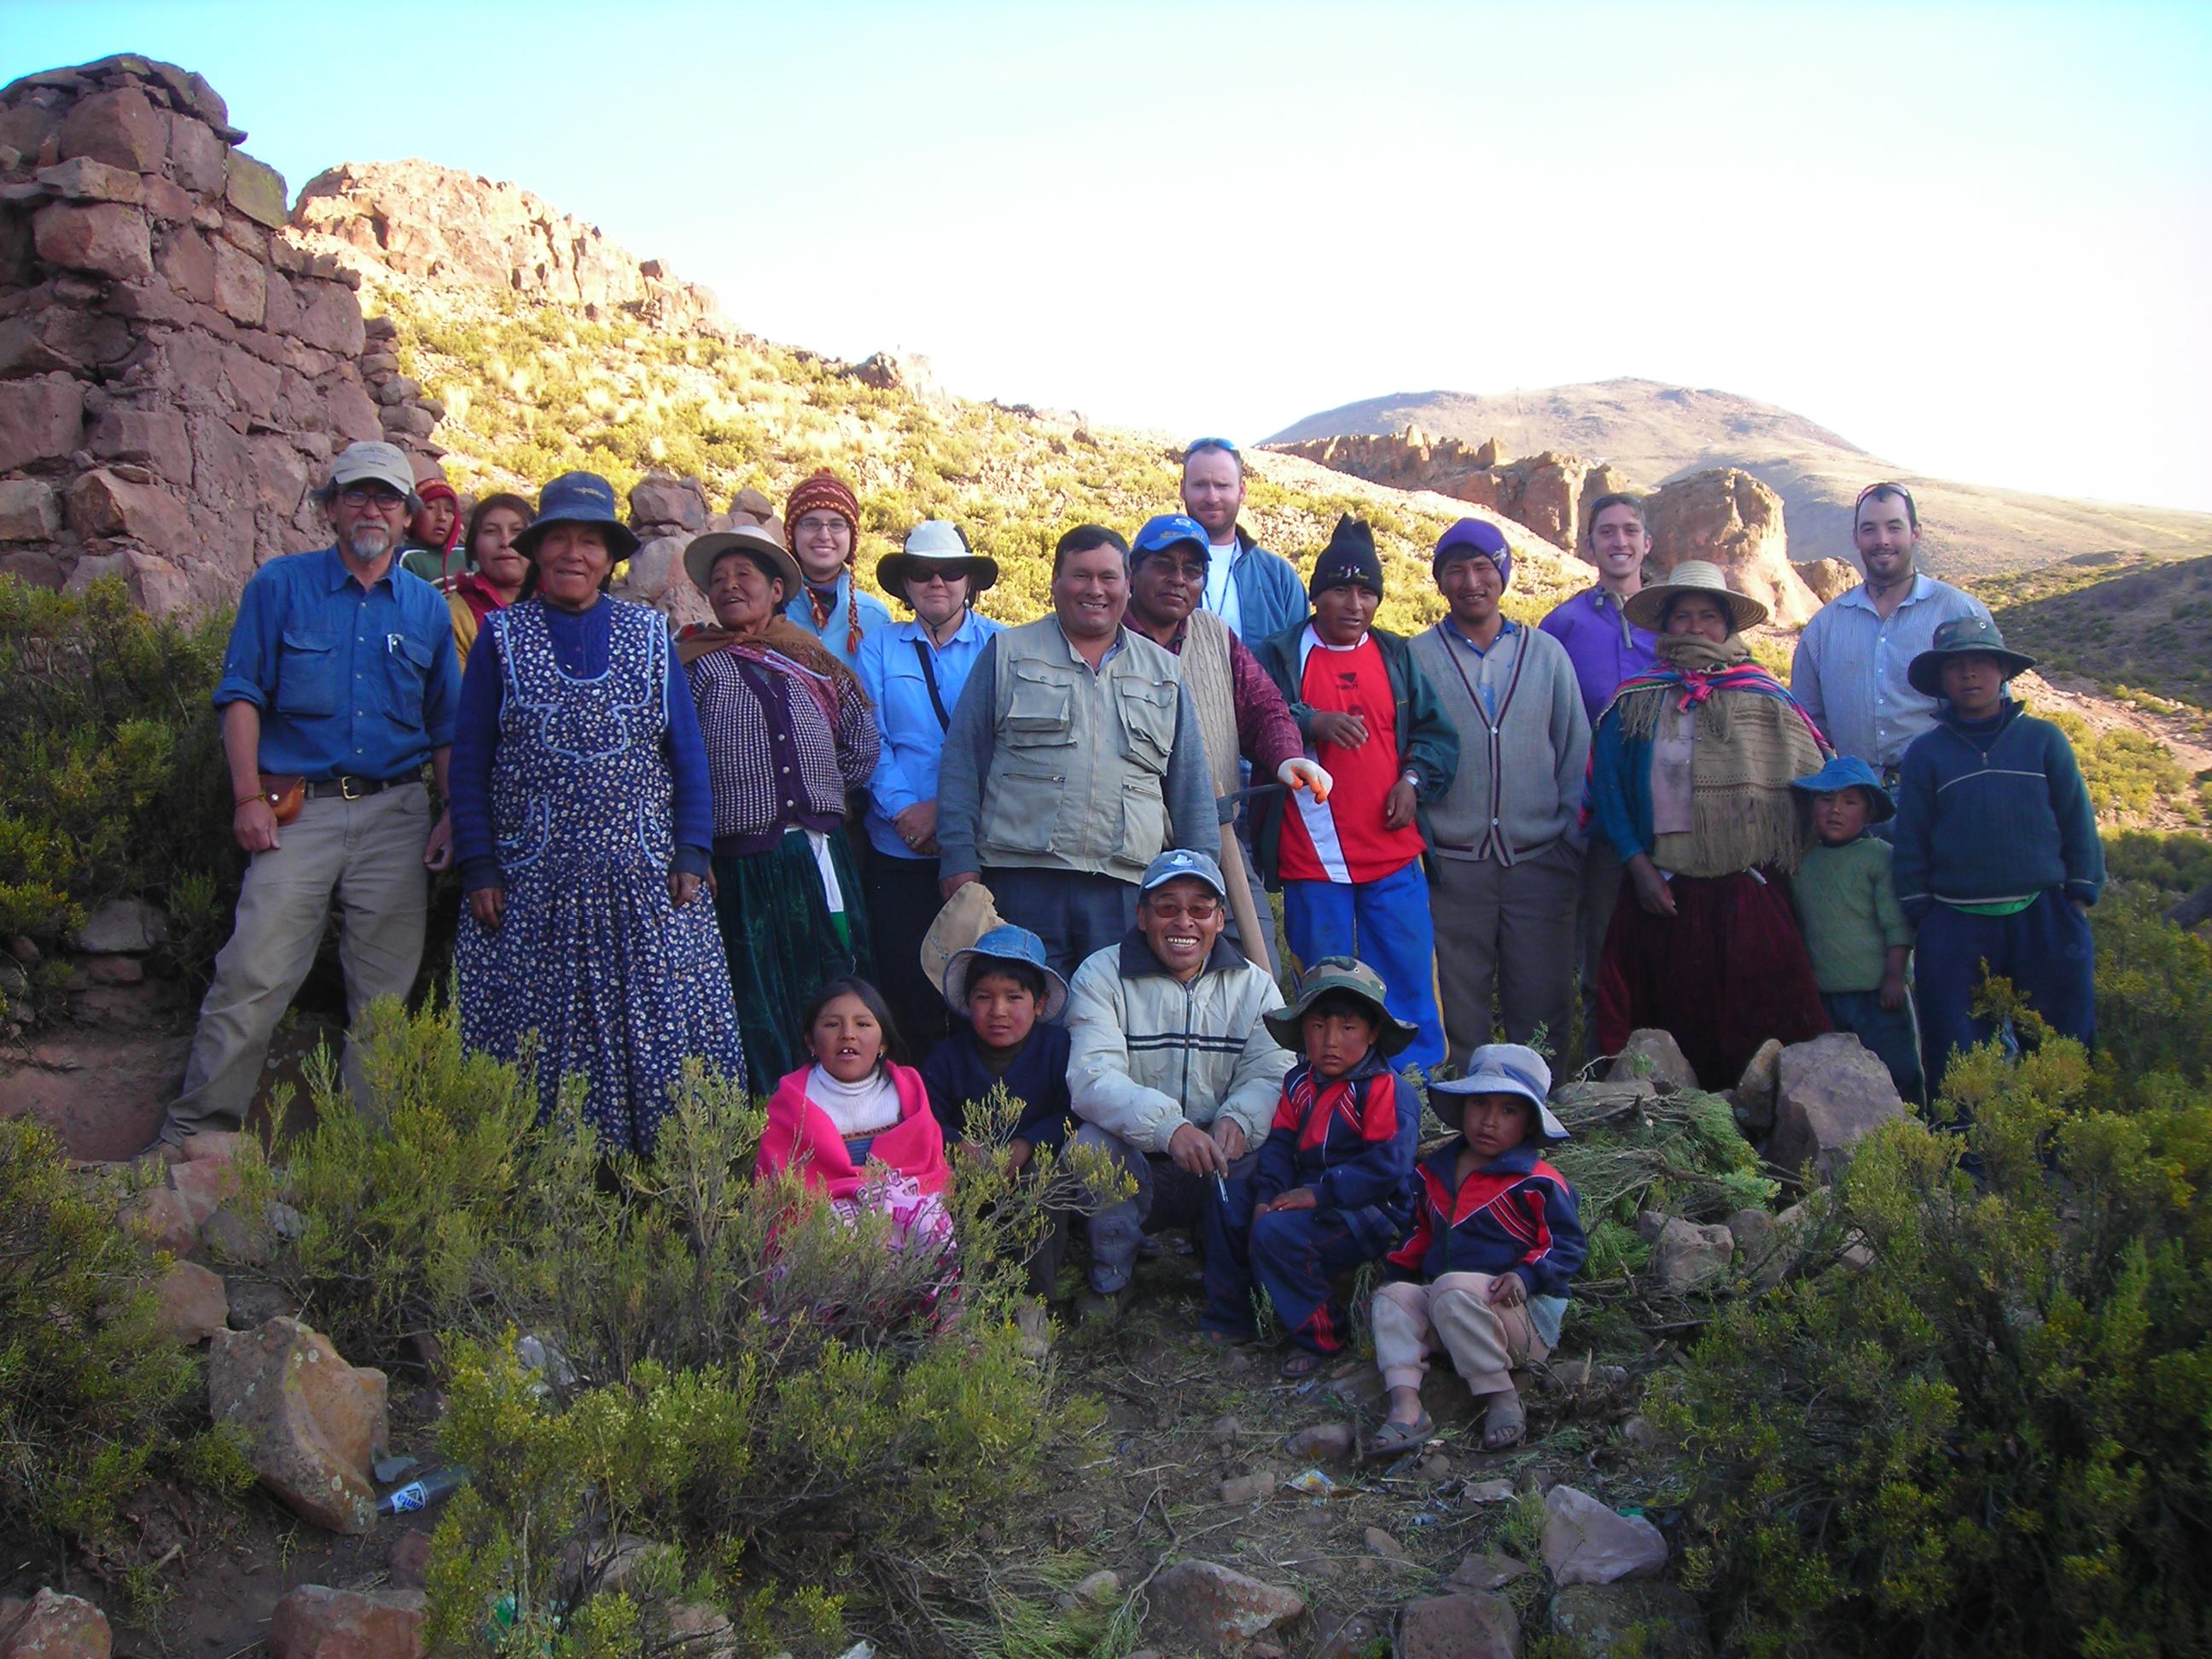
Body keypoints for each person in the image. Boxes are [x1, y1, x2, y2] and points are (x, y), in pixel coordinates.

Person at [153, 441, 459, 1151]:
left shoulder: (426, 609)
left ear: (408, 516)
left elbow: (445, 725)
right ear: (330, 508)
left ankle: (362, 1162)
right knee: (252, 973)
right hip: (298, 811)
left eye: (388, 498)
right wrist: (245, 799)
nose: (373, 509)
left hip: (397, 815)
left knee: (384, 1001)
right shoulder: (280, 586)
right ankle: (196, 1137)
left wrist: (451, 814)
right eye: (357, 494)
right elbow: (241, 695)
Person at [451, 471, 743, 1153]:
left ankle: (666, 1179)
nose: (573, 554)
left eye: (589, 541)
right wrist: (479, 865)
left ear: (610, 556)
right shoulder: (500, 638)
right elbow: (469, 762)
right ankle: (541, 1184)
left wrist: (692, 850)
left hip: (643, 878)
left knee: (664, 1029)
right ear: (537, 551)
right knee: (533, 1037)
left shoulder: (650, 635)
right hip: (532, 883)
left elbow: (686, 753)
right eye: (558, 540)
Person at [1586, 561, 1831, 1088]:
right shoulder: (1636, 701)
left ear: (1728, 625)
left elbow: (1814, 776)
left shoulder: (1765, 697)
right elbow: (1608, 790)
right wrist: (1638, 866)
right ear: (1665, 625)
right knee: (1664, 1033)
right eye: (1683, 616)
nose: (1695, 627)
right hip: (1663, 892)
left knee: (1759, 1033)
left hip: (1748, 892)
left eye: (1708, 616)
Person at [934, 525, 1215, 979]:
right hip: (1020, 881)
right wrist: (959, 862)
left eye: (1108, 577)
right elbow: (962, 762)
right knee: (1020, 1007)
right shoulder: (1008, 652)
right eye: (1081, 575)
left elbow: (1191, 786)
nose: (1095, 589)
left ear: (1127, 585)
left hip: (1125, 890)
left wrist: (1202, 878)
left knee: (1113, 1012)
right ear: (1055, 582)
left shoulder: (1164, 672)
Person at [1251, 515, 1458, 1074]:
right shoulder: (1282, 654)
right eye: (1340, 590)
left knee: (1409, 980)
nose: (1354, 603)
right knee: (1324, 989)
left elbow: (1438, 737)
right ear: (1316, 595)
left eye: (1367, 592)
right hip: (1314, 857)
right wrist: (1310, 721)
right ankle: (1324, 1089)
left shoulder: (1396, 655)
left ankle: (1415, 1091)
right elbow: (1253, 717)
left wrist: (1413, 782)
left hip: (1393, 853)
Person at [679, 524, 880, 1084]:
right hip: (741, 865)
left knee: (836, 984)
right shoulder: (694, 665)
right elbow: (676, 760)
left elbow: (861, 738)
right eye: (719, 579)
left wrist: (823, 797)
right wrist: (695, 841)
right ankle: (772, 1116)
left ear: (775, 591)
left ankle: (847, 1105)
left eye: (744, 575)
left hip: (818, 854)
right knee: (759, 993)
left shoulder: (812, 660)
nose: (729, 585)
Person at [1064, 849, 1295, 1319]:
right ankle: (1113, 1275)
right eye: (1167, 907)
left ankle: (1226, 1273)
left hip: (1216, 1160)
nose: (1184, 922)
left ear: (1220, 919)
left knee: (1273, 1150)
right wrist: (1169, 1128)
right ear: (1142, 916)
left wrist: (1240, 1119)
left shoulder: (1255, 986)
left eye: (1199, 909)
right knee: (1091, 1147)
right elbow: (1092, 1076)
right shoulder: (1100, 974)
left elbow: (1273, 1071)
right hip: (1138, 1158)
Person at [1892, 616, 2102, 1095]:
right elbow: (1912, 838)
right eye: (1955, 666)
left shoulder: (2044, 739)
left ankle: (2063, 1137)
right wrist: (1923, 911)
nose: (1969, 673)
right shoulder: (1925, 754)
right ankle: (1963, 1141)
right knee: (1957, 1052)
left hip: (2045, 916)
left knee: (2061, 1045)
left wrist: (2078, 896)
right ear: (1940, 681)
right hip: (1955, 922)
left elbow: (2077, 819)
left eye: (1981, 662)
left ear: (2004, 670)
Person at [1409, 520, 1591, 1068]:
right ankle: (1458, 1106)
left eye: (1483, 567)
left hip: (1539, 861)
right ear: (1440, 581)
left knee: (1541, 1003)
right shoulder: (1416, 657)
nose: (1471, 582)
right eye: (1455, 570)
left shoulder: (1546, 654)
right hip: (1451, 865)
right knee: (1456, 1005)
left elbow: (1575, 751)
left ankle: (1542, 1104)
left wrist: (1567, 841)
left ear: (1503, 572)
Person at [1124, 512, 1327, 973]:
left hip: (1218, 838)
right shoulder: (1107, 634)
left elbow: (1265, 707)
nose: (1179, 579)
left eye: (1192, 570)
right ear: (1133, 571)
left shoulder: (1215, 634)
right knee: (1136, 974)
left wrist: (1287, 756)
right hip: (1130, 842)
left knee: (1256, 967)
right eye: (1164, 565)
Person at [1207, 958, 1420, 1377]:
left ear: (1373, 1033)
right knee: (1227, 1195)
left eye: (1348, 1028)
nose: (1330, 1042)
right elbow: (1281, 1144)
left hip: (1371, 1208)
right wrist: (1267, 1195)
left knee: (1276, 1233)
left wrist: (1318, 1195)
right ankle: (1232, 1315)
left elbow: (1386, 1168)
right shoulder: (1298, 1082)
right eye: (1318, 1027)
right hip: (1308, 1193)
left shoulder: (1386, 1090)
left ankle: (1322, 1336)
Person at [1372, 1045, 1586, 1454]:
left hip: (1520, 1319)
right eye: (1480, 1104)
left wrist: (1526, 1276)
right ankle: (1406, 1406)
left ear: (1529, 1122)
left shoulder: (1539, 1182)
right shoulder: (1434, 1174)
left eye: (1509, 1110)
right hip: (1451, 1310)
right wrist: (1395, 1278)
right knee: (1393, 1299)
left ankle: (1502, 1396)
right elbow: (1419, 1235)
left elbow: (1567, 1246)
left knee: (1452, 1289)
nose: (1489, 1121)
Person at [856, 521, 1004, 1048]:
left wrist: (944, 812)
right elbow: (869, 738)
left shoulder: (1003, 645)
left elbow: (1007, 744)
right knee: (905, 986)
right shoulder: (878, 648)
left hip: (977, 846)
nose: (936, 582)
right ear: (906, 583)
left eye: (950, 571)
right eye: (922, 572)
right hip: (898, 846)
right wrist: (905, 811)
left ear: (970, 580)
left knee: (981, 986)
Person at [1540, 493, 1663, 1044]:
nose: (1620, 542)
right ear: (1589, 545)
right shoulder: (1564, 625)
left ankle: (1668, 1064)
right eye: (1607, 531)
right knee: (1599, 949)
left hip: (1667, 814)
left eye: (1630, 530)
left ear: (1647, 542)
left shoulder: (1672, 621)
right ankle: (1599, 1065)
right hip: (1592, 819)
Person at [1790, 482, 1993, 789]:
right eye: (1869, 529)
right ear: (1856, 537)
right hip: (1860, 801)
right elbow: (1807, 728)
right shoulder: (1824, 627)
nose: (1882, 540)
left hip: (1945, 794)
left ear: (1916, 533)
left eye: (1894, 527)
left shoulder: (1960, 612)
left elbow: (1994, 714)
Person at [920, 924, 1077, 1298]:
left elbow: (1073, 1111)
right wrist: (959, 1145)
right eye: (984, 997)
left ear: (1039, 1003)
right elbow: (925, 1117)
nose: (998, 1011)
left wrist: (1028, 1144)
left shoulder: (1059, 1049)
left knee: (1043, 1179)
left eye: (1014, 997)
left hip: (1032, 1167)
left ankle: (1034, 1298)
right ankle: (961, 1288)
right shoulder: (947, 1058)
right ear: (968, 1002)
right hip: (970, 1172)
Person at [756, 978, 952, 1256]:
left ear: (883, 1042)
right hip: (824, 1208)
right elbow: (777, 1185)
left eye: (862, 1024)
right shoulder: (792, 1099)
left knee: (927, 1221)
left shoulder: (908, 1089)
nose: (847, 1034)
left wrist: (887, 1202)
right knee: (831, 1233)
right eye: (832, 1025)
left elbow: (929, 1165)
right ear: (811, 1041)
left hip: (900, 1201)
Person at [1788, 756, 1924, 1104]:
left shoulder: (1880, 857)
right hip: (1826, 995)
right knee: (1837, 1080)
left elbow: (1897, 924)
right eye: (1826, 799)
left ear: (1869, 812)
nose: (1835, 810)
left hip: (1878, 996)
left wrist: (1894, 977)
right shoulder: (1804, 864)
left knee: (1898, 1071)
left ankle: (1912, 1130)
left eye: (1849, 802)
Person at [1178, 438, 1307, 645]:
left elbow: (1301, 654)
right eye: (1200, 485)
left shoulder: (1279, 576)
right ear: (1183, 489)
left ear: (1242, 491)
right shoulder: (1155, 570)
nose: (1212, 497)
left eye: (1222, 485)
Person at [780, 469, 892, 672]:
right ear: (791, 534)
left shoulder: (875, 617)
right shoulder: (772, 608)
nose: (824, 535)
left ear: (852, 537)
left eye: (836, 524)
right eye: (811, 524)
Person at [445, 492, 533, 668]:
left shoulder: (561, 599)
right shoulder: (454, 615)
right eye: (491, 531)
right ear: (473, 547)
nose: (505, 542)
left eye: (517, 531)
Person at [399, 475, 467, 588]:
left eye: (449, 510)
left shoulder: (466, 554)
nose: (442, 517)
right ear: (413, 514)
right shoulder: (404, 558)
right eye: (430, 507)